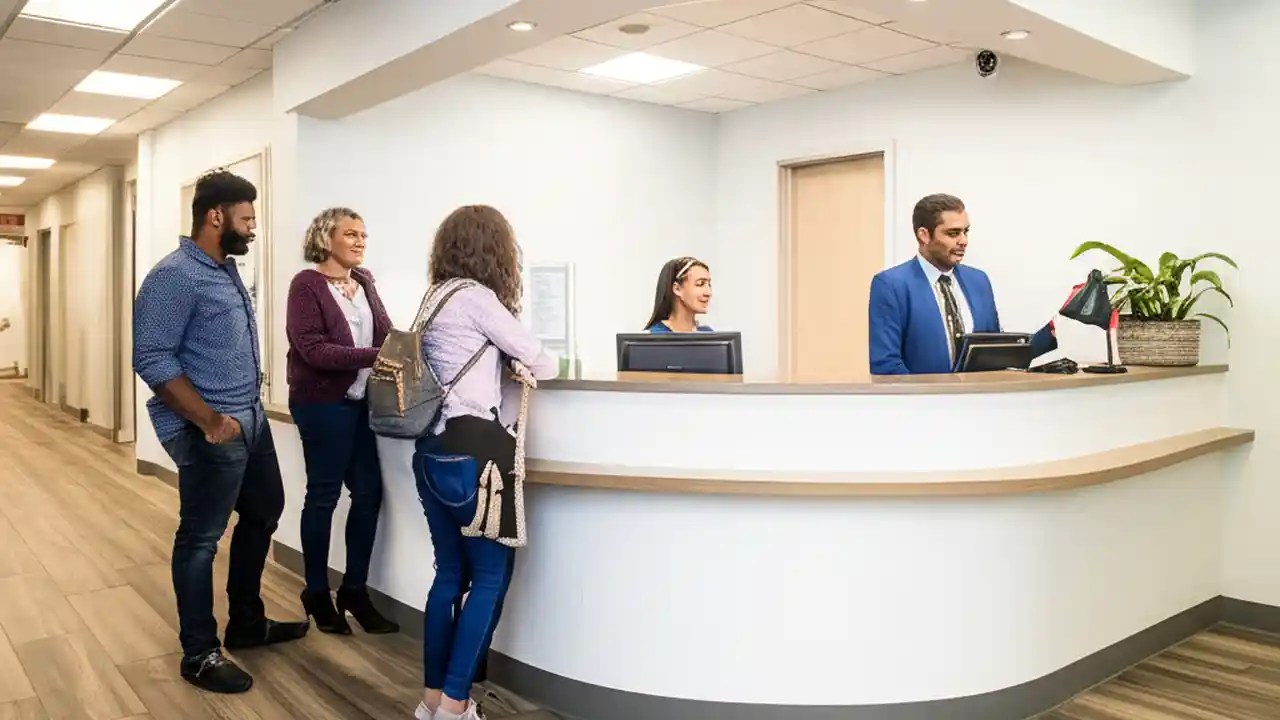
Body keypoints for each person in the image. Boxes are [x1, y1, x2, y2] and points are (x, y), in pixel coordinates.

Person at [133, 170, 308, 694]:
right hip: (214, 430)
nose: (253, 229)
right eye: (247, 219)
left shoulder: (223, 269)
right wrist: (209, 422)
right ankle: (200, 652)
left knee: (264, 511)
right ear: (216, 217)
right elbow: (152, 356)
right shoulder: (174, 276)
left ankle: (247, 624)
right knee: (201, 539)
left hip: (249, 423)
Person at [411, 205, 558, 720]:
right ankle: (456, 706)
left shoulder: (433, 299)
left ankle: (431, 702)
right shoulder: (478, 299)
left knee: (449, 573)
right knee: (490, 577)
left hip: (428, 450)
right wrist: (516, 359)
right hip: (474, 453)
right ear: (496, 251)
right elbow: (545, 360)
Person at [286, 207, 399, 636]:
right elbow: (314, 350)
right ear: (325, 238)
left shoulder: (364, 281)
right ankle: (316, 591)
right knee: (324, 495)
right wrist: (377, 356)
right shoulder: (306, 286)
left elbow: (385, 333)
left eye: (363, 235)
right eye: (350, 233)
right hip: (320, 404)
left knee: (369, 493)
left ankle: (354, 590)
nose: (359, 241)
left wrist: (408, 345)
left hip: (358, 404)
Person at [868, 193, 1057, 375]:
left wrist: (1053, 330)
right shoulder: (891, 285)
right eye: (953, 233)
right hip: (923, 404)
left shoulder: (978, 281)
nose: (963, 241)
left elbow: (997, 354)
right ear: (924, 235)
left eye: (965, 232)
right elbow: (886, 365)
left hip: (978, 404)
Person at [644, 256, 714, 332]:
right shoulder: (655, 336)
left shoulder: (708, 333)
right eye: (700, 284)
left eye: (709, 284)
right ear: (677, 289)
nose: (708, 293)